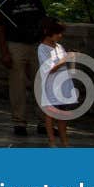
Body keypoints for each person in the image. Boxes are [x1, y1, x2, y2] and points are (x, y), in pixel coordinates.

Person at [0, 0, 47, 136]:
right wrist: (5, 53)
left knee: (41, 83)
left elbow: (43, 23)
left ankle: (44, 121)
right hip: (16, 45)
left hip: (36, 46)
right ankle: (19, 122)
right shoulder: (4, 1)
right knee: (18, 85)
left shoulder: (34, 0)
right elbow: (0, 28)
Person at [37, 18, 75, 147]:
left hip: (63, 84)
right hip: (51, 86)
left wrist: (71, 60)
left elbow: (66, 64)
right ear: (48, 32)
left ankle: (65, 141)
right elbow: (50, 69)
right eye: (57, 33)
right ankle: (52, 141)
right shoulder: (42, 49)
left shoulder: (59, 47)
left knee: (63, 113)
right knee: (51, 113)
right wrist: (65, 60)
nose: (60, 36)